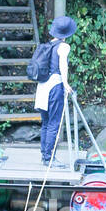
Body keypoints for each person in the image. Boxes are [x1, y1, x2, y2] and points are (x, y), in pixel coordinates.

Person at [35, 15, 76, 166]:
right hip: (54, 87)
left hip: (42, 87)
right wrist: (65, 83)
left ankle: (45, 156)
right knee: (54, 123)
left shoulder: (48, 45)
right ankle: (49, 158)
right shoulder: (64, 47)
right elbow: (63, 65)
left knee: (46, 123)